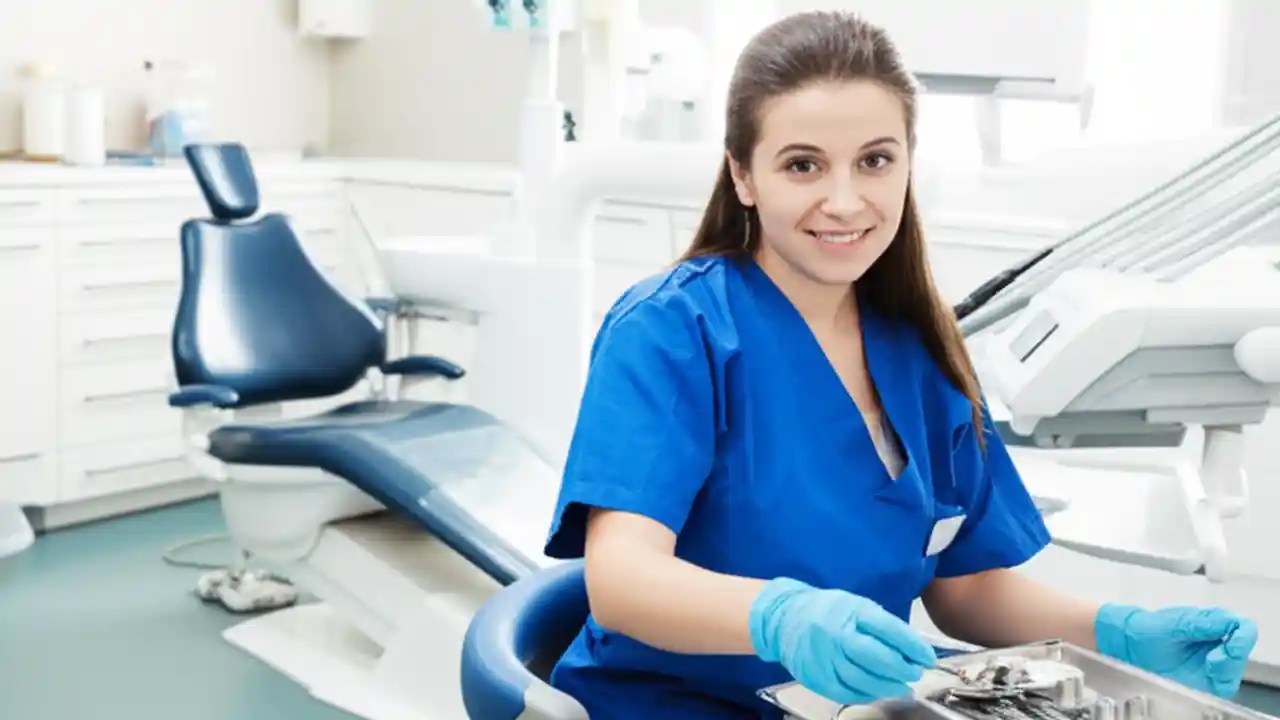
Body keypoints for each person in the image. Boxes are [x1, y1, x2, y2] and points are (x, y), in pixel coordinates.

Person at [542, 10, 1258, 718]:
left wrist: (1118, 635)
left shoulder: (919, 350)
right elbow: (623, 580)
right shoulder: (673, 330)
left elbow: (965, 589)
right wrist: (779, 615)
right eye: (802, 165)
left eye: (875, 161)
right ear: (744, 175)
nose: (846, 200)